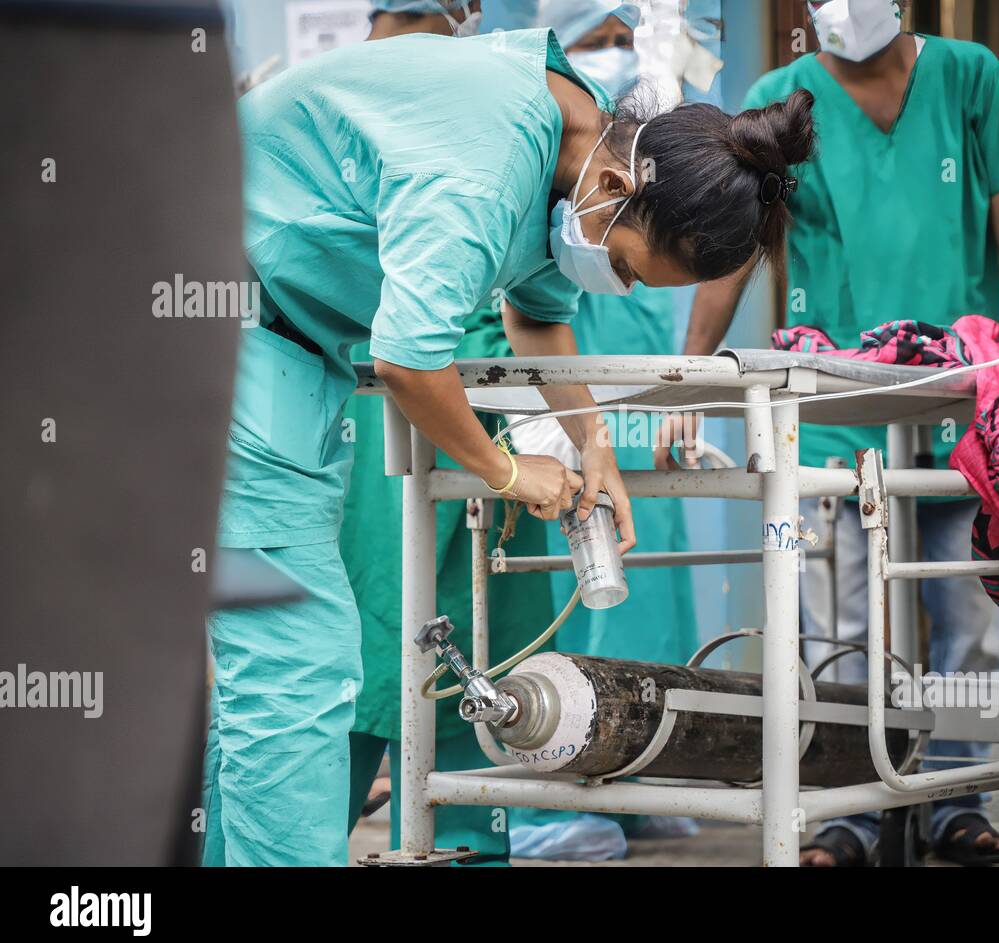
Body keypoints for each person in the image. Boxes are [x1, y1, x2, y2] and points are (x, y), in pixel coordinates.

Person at [202, 23, 816, 865]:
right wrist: (503, 469)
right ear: (614, 181)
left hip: (284, 348)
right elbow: (410, 359)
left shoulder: (573, 140)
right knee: (297, 671)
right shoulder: (489, 161)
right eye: (634, 270)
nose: (622, 283)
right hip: (223, 316)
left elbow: (538, 313)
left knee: (275, 672)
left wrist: (590, 441)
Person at [682, 0, 999, 866]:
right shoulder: (783, 96)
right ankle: (850, 813)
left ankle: (956, 804)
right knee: (845, 627)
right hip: (838, 416)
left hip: (962, 400)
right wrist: (689, 376)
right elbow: (741, 245)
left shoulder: (969, 77)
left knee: (966, 626)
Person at [342, 0, 553, 868]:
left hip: (472, 394)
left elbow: (538, 300)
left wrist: (570, 437)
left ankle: (464, 846)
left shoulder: (501, 107)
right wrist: (507, 468)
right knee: (352, 661)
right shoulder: (340, 103)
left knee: (479, 668)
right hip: (366, 389)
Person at [504, 0, 701, 863]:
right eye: (603, 41)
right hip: (557, 400)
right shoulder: (546, 189)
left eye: (634, 39)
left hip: (627, 413)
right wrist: (548, 440)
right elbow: (532, 314)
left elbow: (646, 315)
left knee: (651, 592)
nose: (621, 58)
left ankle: (634, 764)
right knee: (568, 596)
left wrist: (654, 413)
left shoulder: (653, 217)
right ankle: (553, 788)